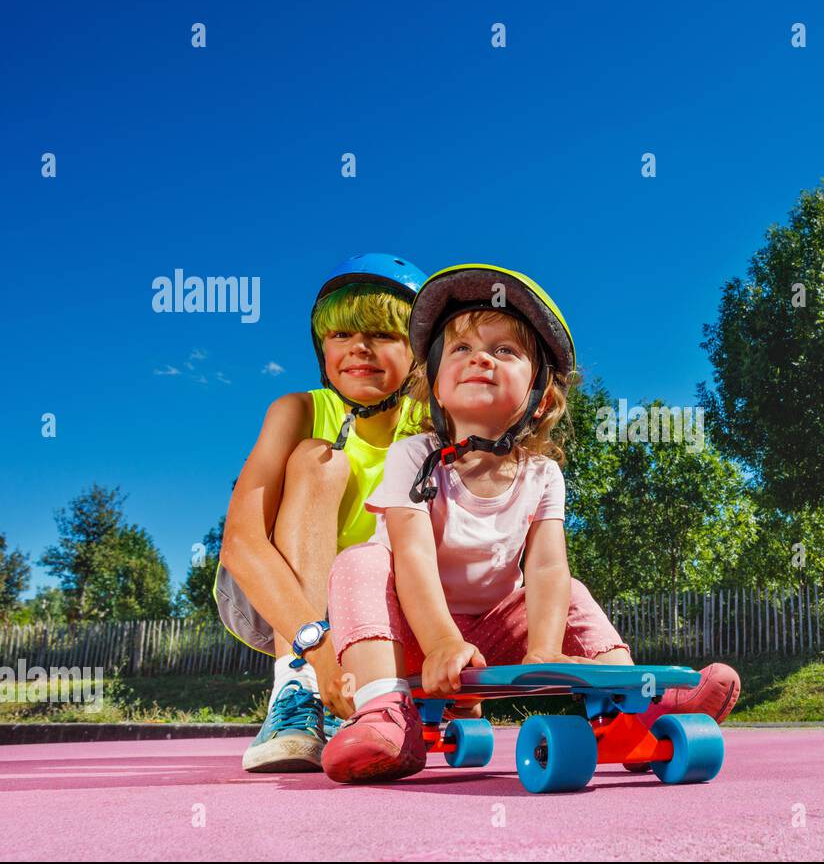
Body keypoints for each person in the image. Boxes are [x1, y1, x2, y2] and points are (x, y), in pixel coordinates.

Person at [320, 264, 740, 783]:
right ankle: (382, 712)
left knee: (570, 588)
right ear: (432, 381)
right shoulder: (414, 456)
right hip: (410, 632)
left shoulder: (542, 474)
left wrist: (542, 647)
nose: (481, 358)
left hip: (494, 628)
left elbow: (544, 567)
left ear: (540, 396)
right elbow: (412, 555)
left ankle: (635, 700)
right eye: (461, 349)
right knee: (360, 561)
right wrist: (441, 642)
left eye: (504, 351)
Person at [213, 253, 428, 772]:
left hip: (397, 608)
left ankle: (383, 688)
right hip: (292, 612)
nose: (358, 347)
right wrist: (320, 654)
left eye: (382, 333)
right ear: (322, 349)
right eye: (340, 335)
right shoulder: (300, 409)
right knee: (318, 459)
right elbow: (241, 544)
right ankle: (298, 690)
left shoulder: (434, 422)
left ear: (419, 353)